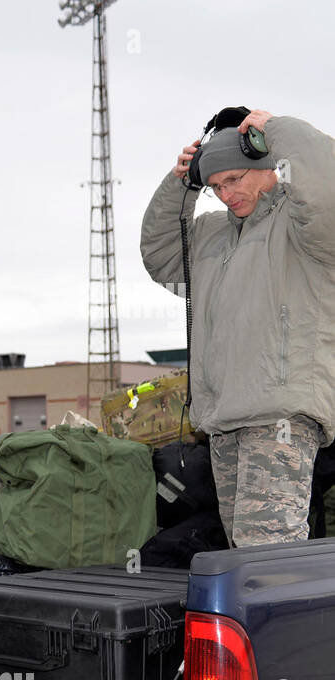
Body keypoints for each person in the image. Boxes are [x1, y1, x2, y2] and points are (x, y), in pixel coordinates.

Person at [141, 108, 335, 546]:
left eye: (234, 179)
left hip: (279, 414)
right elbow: (161, 257)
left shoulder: (304, 226)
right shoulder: (211, 234)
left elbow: (326, 191)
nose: (226, 194)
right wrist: (181, 184)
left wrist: (276, 128)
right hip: (224, 419)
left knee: (268, 556)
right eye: (214, 186)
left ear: (265, 165)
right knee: (244, 561)